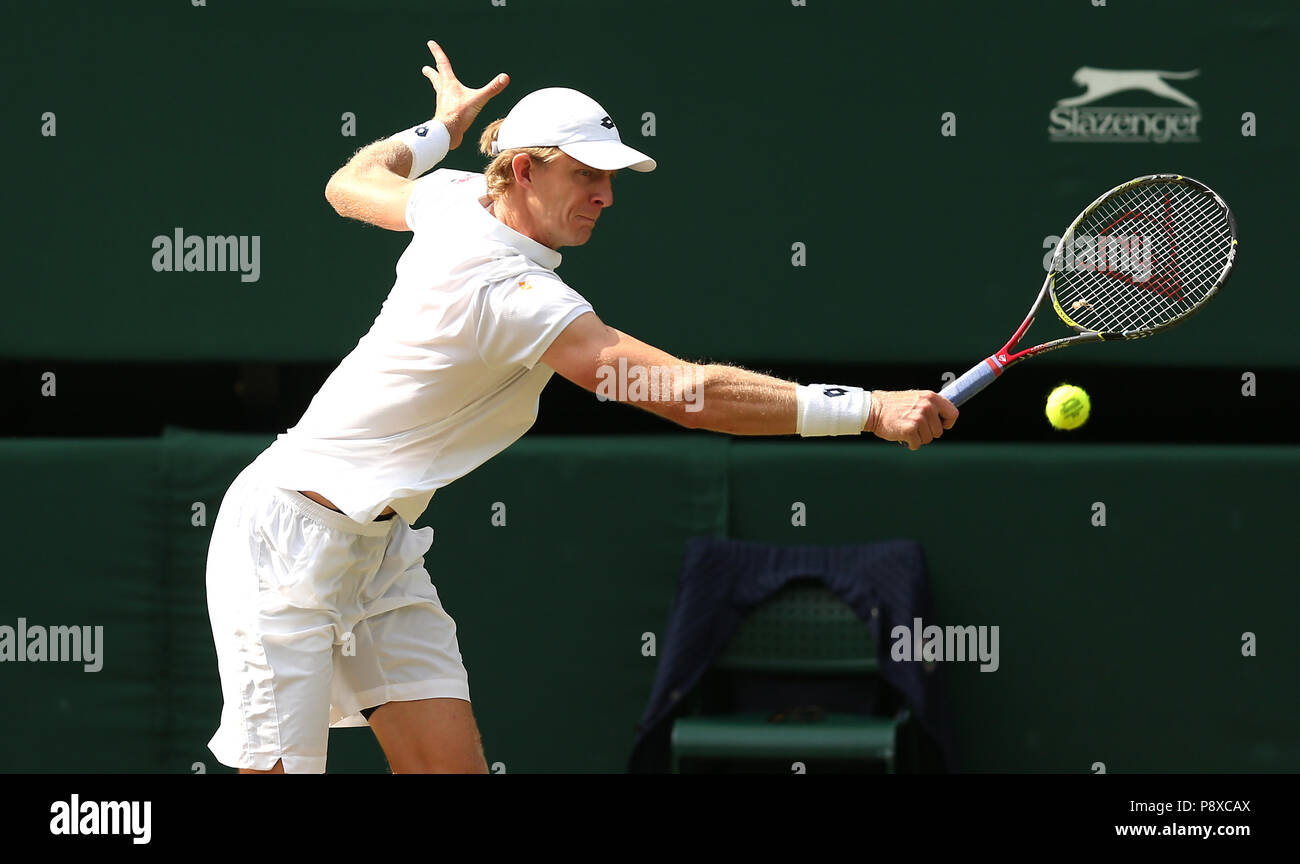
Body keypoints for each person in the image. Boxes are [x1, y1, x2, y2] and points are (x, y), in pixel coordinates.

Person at [204, 40, 958, 775]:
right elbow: (686, 396)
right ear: (525, 171)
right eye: (588, 174)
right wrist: (867, 409)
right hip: (283, 545)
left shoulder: (460, 198)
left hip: (379, 554)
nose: (605, 195)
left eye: (612, 176)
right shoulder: (509, 293)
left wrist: (441, 131)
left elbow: (351, 182)